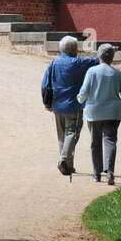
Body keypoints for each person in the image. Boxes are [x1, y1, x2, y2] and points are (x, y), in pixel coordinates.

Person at [41, 36, 97, 176]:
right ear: (72, 49)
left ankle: (67, 166)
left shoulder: (53, 63)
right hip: (73, 105)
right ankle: (64, 159)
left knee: (62, 136)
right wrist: (110, 50)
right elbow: (96, 61)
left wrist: (46, 102)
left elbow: (45, 84)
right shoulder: (78, 63)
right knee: (72, 133)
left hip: (57, 105)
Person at [77, 43, 121, 185]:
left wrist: (79, 99)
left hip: (94, 112)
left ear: (99, 56)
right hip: (113, 112)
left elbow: (84, 92)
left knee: (95, 143)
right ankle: (110, 172)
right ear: (112, 58)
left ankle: (96, 173)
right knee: (110, 141)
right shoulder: (117, 73)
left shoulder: (92, 71)